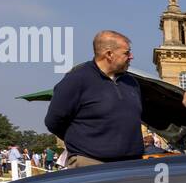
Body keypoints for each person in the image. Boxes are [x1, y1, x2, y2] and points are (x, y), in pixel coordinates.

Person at [44, 30, 144, 168]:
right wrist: (85, 142)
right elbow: (53, 121)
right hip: (91, 164)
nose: (131, 56)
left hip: (131, 164)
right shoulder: (76, 80)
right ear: (109, 54)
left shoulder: (131, 82)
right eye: (126, 53)